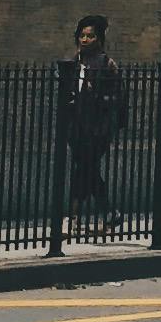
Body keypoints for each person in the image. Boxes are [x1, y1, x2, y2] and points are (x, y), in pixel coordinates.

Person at [60, 13, 126, 235]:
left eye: (90, 36)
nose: (84, 40)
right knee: (88, 170)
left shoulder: (107, 65)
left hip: (98, 130)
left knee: (84, 169)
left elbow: (119, 100)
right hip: (77, 127)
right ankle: (109, 213)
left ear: (99, 39)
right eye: (82, 35)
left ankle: (74, 218)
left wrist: (97, 96)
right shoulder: (74, 62)